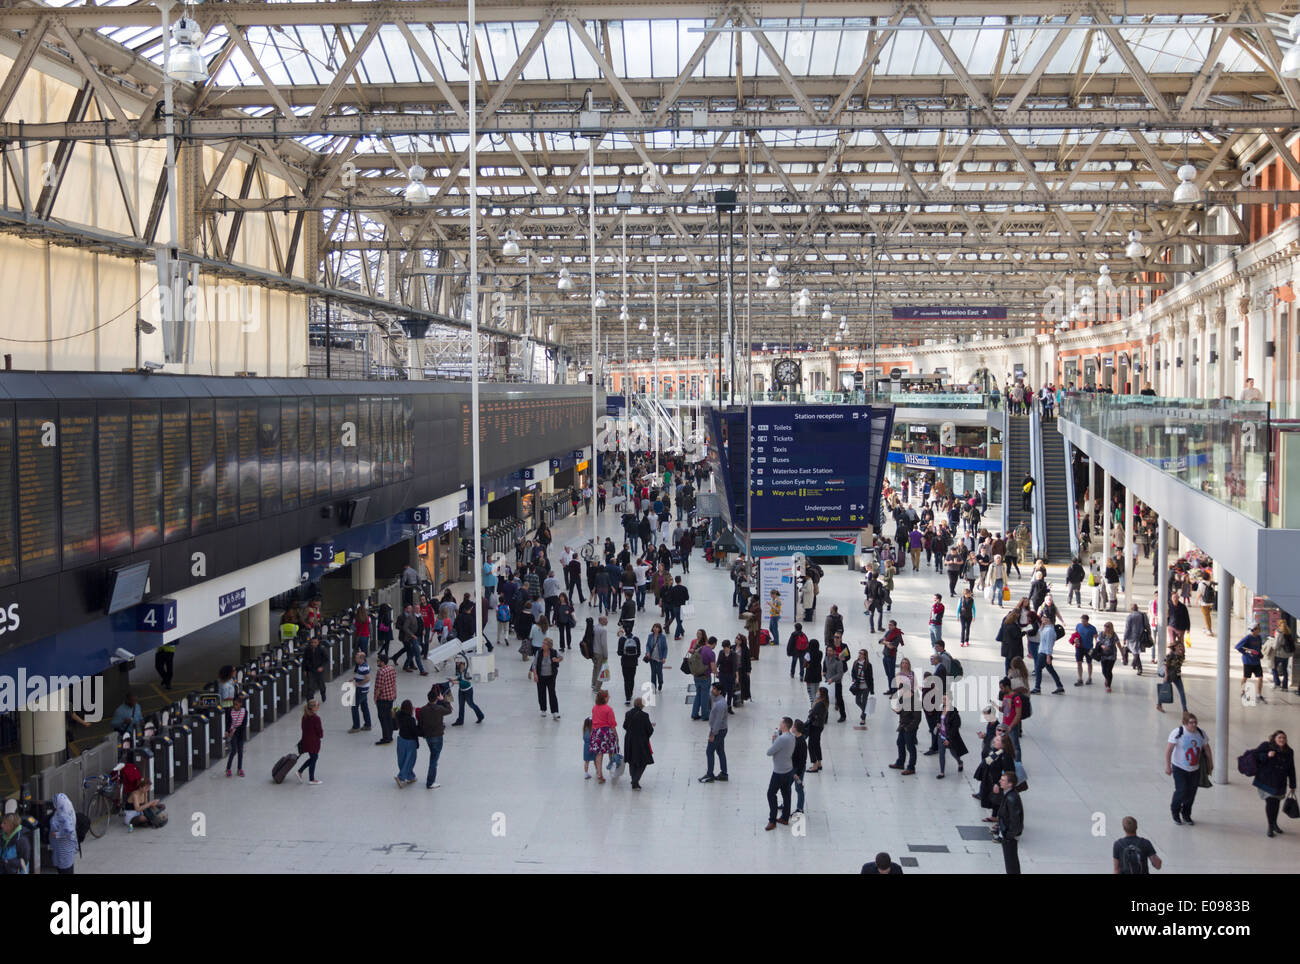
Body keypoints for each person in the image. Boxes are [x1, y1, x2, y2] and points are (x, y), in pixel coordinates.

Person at [1165, 710, 1211, 825]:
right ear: (1185, 723)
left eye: (1195, 722)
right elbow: (1169, 750)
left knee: (1191, 793)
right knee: (1181, 790)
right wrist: (1168, 766)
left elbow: (1206, 748)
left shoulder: (1201, 733)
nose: (1194, 725)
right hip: (1179, 767)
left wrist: (1211, 763)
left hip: (1195, 769)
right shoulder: (1178, 732)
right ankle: (1175, 811)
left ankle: (1186, 814)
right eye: (1191, 723)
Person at [1250, 730, 1297, 837]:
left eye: (1284, 738)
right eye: (1279, 737)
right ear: (1274, 738)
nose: (1282, 740)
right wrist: (1267, 755)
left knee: (1276, 804)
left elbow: (1291, 768)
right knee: (1270, 803)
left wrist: (1293, 784)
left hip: (1280, 782)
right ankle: (1270, 826)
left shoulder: (1289, 751)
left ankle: (1274, 824)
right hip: (1266, 781)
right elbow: (1255, 756)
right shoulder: (1266, 746)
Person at [765, 717, 796, 831]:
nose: (780, 723)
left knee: (771, 794)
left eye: (781, 722)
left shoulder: (782, 739)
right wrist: (776, 741)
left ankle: (772, 820)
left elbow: (769, 752)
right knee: (786, 794)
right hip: (788, 769)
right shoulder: (792, 737)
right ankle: (785, 817)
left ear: (784, 725)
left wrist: (774, 740)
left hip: (779, 771)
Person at [994, 771, 1024, 874]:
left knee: (1011, 863)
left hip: (1009, 837)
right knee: (1011, 862)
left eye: (1003, 780)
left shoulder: (1011, 798)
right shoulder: (1009, 794)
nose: (1000, 781)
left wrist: (1008, 836)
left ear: (1010, 784)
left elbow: (1015, 820)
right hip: (1007, 835)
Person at [889, 683, 921, 776]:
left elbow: (917, 718)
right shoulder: (903, 698)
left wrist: (909, 728)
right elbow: (902, 710)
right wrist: (897, 711)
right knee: (900, 742)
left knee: (910, 747)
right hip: (903, 725)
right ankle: (900, 762)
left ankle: (911, 767)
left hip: (910, 727)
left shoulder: (915, 701)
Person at [622, 697, 655, 789]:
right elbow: (650, 730)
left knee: (631, 761)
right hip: (641, 742)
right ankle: (635, 780)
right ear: (642, 705)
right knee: (643, 761)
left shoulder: (628, 714)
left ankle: (634, 779)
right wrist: (645, 736)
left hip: (629, 741)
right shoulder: (645, 715)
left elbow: (625, 726)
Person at [700, 684, 729, 783]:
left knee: (709, 751)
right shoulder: (717, 699)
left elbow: (718, 721)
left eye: (714, 689)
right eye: (712, 688)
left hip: (718, 731)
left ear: (719, 691)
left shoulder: (720, 704)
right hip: (721, 730)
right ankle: (724, 773)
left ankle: (710, 774)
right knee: (720, 751)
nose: (712, 690)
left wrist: (713, 734)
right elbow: (710, 695)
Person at [589, 690, 619, 784]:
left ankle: (599, 774)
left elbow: (593, 720)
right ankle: (612, 772)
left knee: (599, 754)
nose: (609, 697)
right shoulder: (608, 709)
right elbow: (612, 724)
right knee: (611, 751)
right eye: (608, 696)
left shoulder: (595, 708)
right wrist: (616, 735)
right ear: (605, 698)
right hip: (606, 733)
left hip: (596, 732)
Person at [530, 637, 564, 719]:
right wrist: (535, 675)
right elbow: (534, 664)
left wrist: (556, 660)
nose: (542, 645)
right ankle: (543, 710)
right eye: (542, 643)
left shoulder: (553, 652)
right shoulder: (539, 652)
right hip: (541, 676)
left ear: (549, 646)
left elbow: (561, 658)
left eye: (544, 644)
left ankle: (555, 712)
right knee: (541, 693)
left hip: (551, 676)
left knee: (552, 693)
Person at [1237, 622, 1266, 704]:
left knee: (1260, 677)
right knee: (1245, 677)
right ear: (1254, 629)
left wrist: (1260, 654)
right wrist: (1247, 652)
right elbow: (1238, 647)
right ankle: (1243, 692)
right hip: (1248, 661)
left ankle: (1259, 694)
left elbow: (1259, 648)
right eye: (1258, 628)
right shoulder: (1247, 638)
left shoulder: (1259, 638)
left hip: (1256, 661)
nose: (1260, 630)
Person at [451, 655, 484, 725]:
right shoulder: (460, 668)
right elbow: (460, 677)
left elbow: (466, 681)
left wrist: (456, 682)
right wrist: (454, 680)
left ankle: (480, 716)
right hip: (461, 690)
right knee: (461, 705)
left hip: (468, 691)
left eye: (458, 663)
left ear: (462, 662)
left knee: (471, 704)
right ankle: (460, 720)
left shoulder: (468, 670)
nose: (456, 664)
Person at [371, 653, 397, 745]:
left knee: (383, 718)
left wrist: (375, 698)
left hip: (382, 699)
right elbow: (394, 683)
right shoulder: (391, 669)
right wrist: (394, 694)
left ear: (382, 662)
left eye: (378, 661)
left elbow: (379, 687)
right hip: (390, 697)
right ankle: (390, 735)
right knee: (388, 717)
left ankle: (386, 738)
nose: (377, 662)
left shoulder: (380, 672)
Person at [393, 700, 420, 787]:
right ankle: (401, 777)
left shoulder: (398, 715)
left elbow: (396, 711)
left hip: (401, 740)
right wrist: (417, 743)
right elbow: (414, 732)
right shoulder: (411, 720)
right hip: (410, 742)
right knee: (410, 760)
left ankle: (410, 776)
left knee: (402, 760)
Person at [1158, 638, 1189, 713]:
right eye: (1179, 646)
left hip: (1177, 676)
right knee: (1164, 690)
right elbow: (1165, 665)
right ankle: (1159, 705)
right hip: (1169, 675)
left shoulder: (1182, 655)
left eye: (1181, 646)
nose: (1181, 648)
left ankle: (1185, 710)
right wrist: (1166, 676)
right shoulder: (1171, 654)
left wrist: (1181, 653)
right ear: (1175, 647)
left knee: (1182, 692)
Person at [297, 699, 323, 784]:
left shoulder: (305, 717)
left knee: (313, 757)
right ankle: (311, 779)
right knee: (314, 758)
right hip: (313, 742)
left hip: (306, 740)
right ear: (313, 708)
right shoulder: (316, 718)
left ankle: (300, 772)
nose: (318, 706)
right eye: (317, 705)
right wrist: (320, 736)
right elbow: (319, 731)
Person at [49, 793, 77, 872]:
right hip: (64, 850)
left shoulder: (64, 816)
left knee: (65, 870)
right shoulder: (66, 812)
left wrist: (56, 835)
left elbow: (69, 832)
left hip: (63, 852)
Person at [346, 649, 372, 733]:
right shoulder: (362, 666)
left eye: (357, 658)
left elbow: (367, 678)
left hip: (361, 690)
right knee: (364, 706)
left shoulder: (364, 667)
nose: (355, 659)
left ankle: (356, 726)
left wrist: (358, 684)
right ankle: (368, 724)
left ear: (361, 659)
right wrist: (354, 678)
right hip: (364, 690)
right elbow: (361, 675)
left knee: (354, 707)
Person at [0, 810, 32, 874]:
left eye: (4, 823)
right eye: (2, 823)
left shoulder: (22, 840)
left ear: (11, 825)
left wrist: (7, 862)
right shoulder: (2, 836)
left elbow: (24, 861)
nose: (1, 825)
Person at [225, 693, 248, 778]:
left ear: (241, 704)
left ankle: (239, 769)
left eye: (237, 704)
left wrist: (235, 730)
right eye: (234, 704)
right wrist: (227, 731)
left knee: (240, 752)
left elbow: (244, 724)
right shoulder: (230, 711)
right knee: (234, 750)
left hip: (240, 733)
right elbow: (228, 722)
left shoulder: (244, 712)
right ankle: (228, 769)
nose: (235, 706)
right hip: (232, 733)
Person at [806, 687, 829, 772]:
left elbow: (812, 714)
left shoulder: (819, 703)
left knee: (811, 745)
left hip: (814, 726)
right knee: (816, 744)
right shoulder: (825, 702)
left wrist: (811, 713)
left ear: (821, 693)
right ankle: (819, 763)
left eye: (818, 691)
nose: (817, 692)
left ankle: (814, 765)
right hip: (819, 726)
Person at [850, 649, 875, 728]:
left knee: (864, 701)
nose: (859, 655)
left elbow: (871, 678)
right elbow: (853, 672)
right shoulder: (855, 663)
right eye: (859, 653)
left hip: (866, 686)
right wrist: (853, 678)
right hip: (858, 686)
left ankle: (863, 718)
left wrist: (872, 690)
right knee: (857, 701)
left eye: (861, 653)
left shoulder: (868, 665)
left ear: (865, 655)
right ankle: (865, 710)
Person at [616, 629, 641, 705]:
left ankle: (627, 698)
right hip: (633, 662)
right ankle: (630, 693)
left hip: (625, 662)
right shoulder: (636, 639)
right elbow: (638, 653)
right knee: (632, 678)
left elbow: (619, 653)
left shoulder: (622, 639)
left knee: (626, 680)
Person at [1072, 614, 1097, 687]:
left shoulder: (1092, 628)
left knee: (1089, 663)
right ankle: (1080, 678)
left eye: (1084, 621)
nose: (1082, 623)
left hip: (1089, 648)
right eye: (1082, 621)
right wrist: (1075, 639)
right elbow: (1076, 634)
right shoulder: (1078, 626)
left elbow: (1096, 638)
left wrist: (1096, 648)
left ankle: (1089, 677)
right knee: (1079, 662)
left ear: (1087, 621)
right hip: (1079, 647)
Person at [303, 635, 329, 703]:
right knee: (310, 685)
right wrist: (305, 670)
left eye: (315, 642)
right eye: (312, 642)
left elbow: (326, 660)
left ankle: (323, 693)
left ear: (318, 642)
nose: (313, 644)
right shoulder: (307, 649)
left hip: (319, 670)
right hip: (311, 669)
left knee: (321, 684)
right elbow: (305, 660)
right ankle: (310, 700)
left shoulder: (322, 649)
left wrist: (322, 667)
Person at [879, 620, 904, 694]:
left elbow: (892, 646)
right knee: (888, 674)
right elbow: (880, 641)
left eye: (891, 625)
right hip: (885, 656)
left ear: (894, 626)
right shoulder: (888, 632)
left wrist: (885, 642)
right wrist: (887, 642)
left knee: (891, 674)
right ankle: (893, 688)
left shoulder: (897, 634)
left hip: (891, 657)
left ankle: (893, 690)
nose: (889, 626)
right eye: (889, 624)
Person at [1096, 621, 1120, 692]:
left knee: (1109, 670)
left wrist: (1123, 654)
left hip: (1112, 655)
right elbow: (1098, 642)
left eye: (1107, 627)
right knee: (1104, 670)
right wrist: (1102, 646)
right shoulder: (1101, 634)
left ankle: (1108, 686)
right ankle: (1107, 678)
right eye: (1105, 627)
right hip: (1103, 655)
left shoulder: (1114, 635)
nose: (1106, 628)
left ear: (1111, 628)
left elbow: (1118, 644)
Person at [645, 623, 668, 692]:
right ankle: (653, 687)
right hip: (652, 658)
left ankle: (660, 683)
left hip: (660, 658)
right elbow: (648, 645)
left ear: (660, 629)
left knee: (659, 672)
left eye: (657, 627)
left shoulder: (662, 637)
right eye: (654, 627)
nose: (655, 629)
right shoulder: (650, 636)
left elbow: (665, 648)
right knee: (653, 673)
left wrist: (664, 657)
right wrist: (648, 652)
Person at [590, 616, 609, 694]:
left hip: (594, 652)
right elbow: (603, 644)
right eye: (605, 620)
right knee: (600, 670)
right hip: (600, 652)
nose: (607, 621)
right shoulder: (603, 630)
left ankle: (593, 684)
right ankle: (597, 689)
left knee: (595, 668)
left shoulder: (595, 627)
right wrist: (606, 654)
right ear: (601, 621)